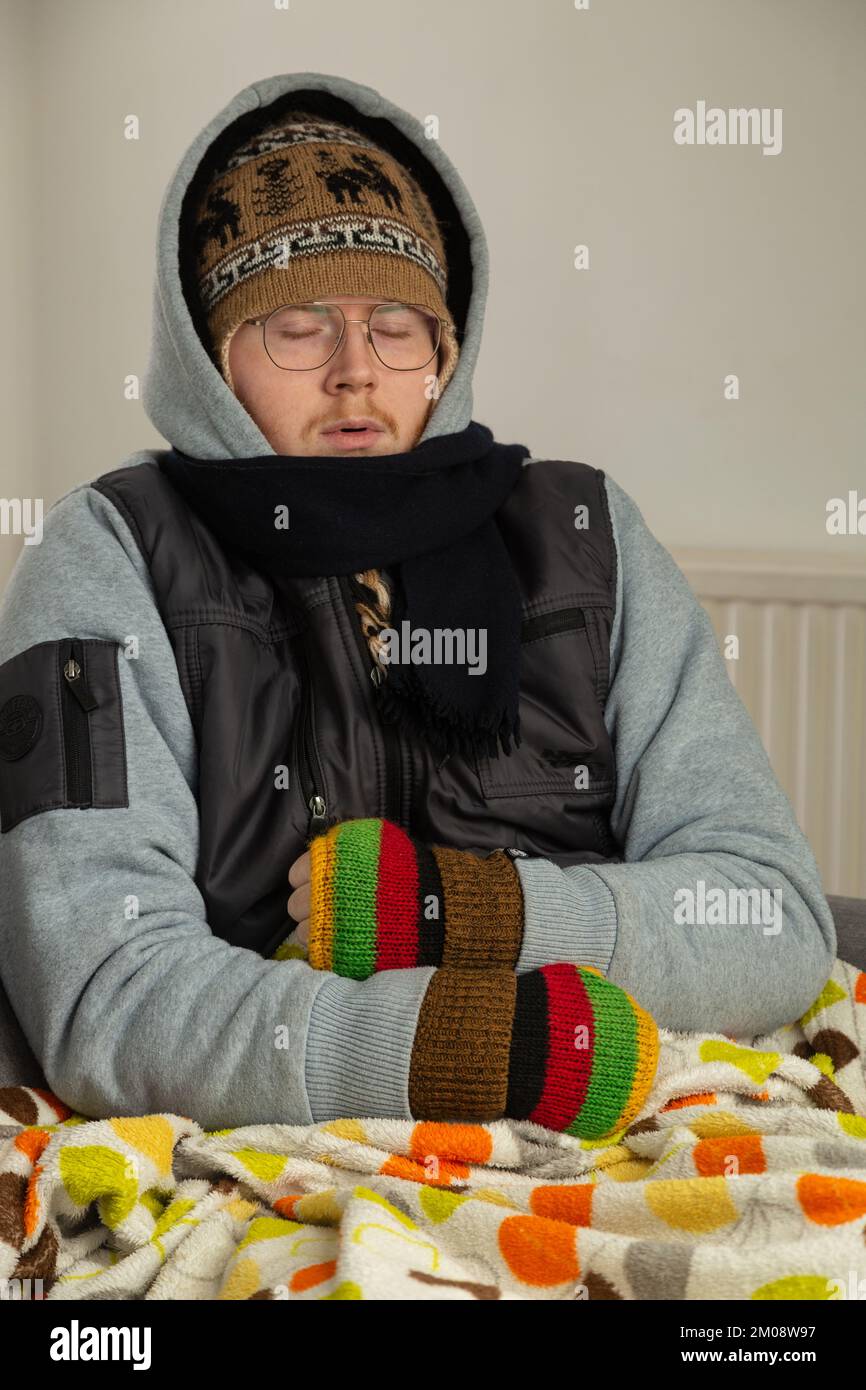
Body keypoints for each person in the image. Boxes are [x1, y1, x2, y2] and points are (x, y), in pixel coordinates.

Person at [0, 73, 835, 1135]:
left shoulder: (587, 533)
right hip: (325, 1122)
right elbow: (108, 993)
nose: (357, 373)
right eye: (297, 327)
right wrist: (459, 1048)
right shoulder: (106, 555)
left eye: (396, 325)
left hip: (601, 1090)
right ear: (212, 360)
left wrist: (458, 915)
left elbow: (766, 912)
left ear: (445, 353)